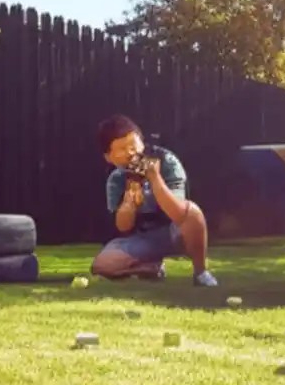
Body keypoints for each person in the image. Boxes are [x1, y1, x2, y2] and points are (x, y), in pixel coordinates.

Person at [91, 114, 218, 287]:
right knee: (102, 265)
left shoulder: (167, 162)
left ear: (142, 143)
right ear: (108, 157)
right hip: (143, 239)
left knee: (193, 212)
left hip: (176, 232)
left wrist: (155, 178)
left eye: (133, 145)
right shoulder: (116, 179)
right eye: (121, 149)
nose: (131, 153)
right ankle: (149, 268)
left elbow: (179, 214)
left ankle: (201, 272)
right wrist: (129, 200)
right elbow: (123, 227)